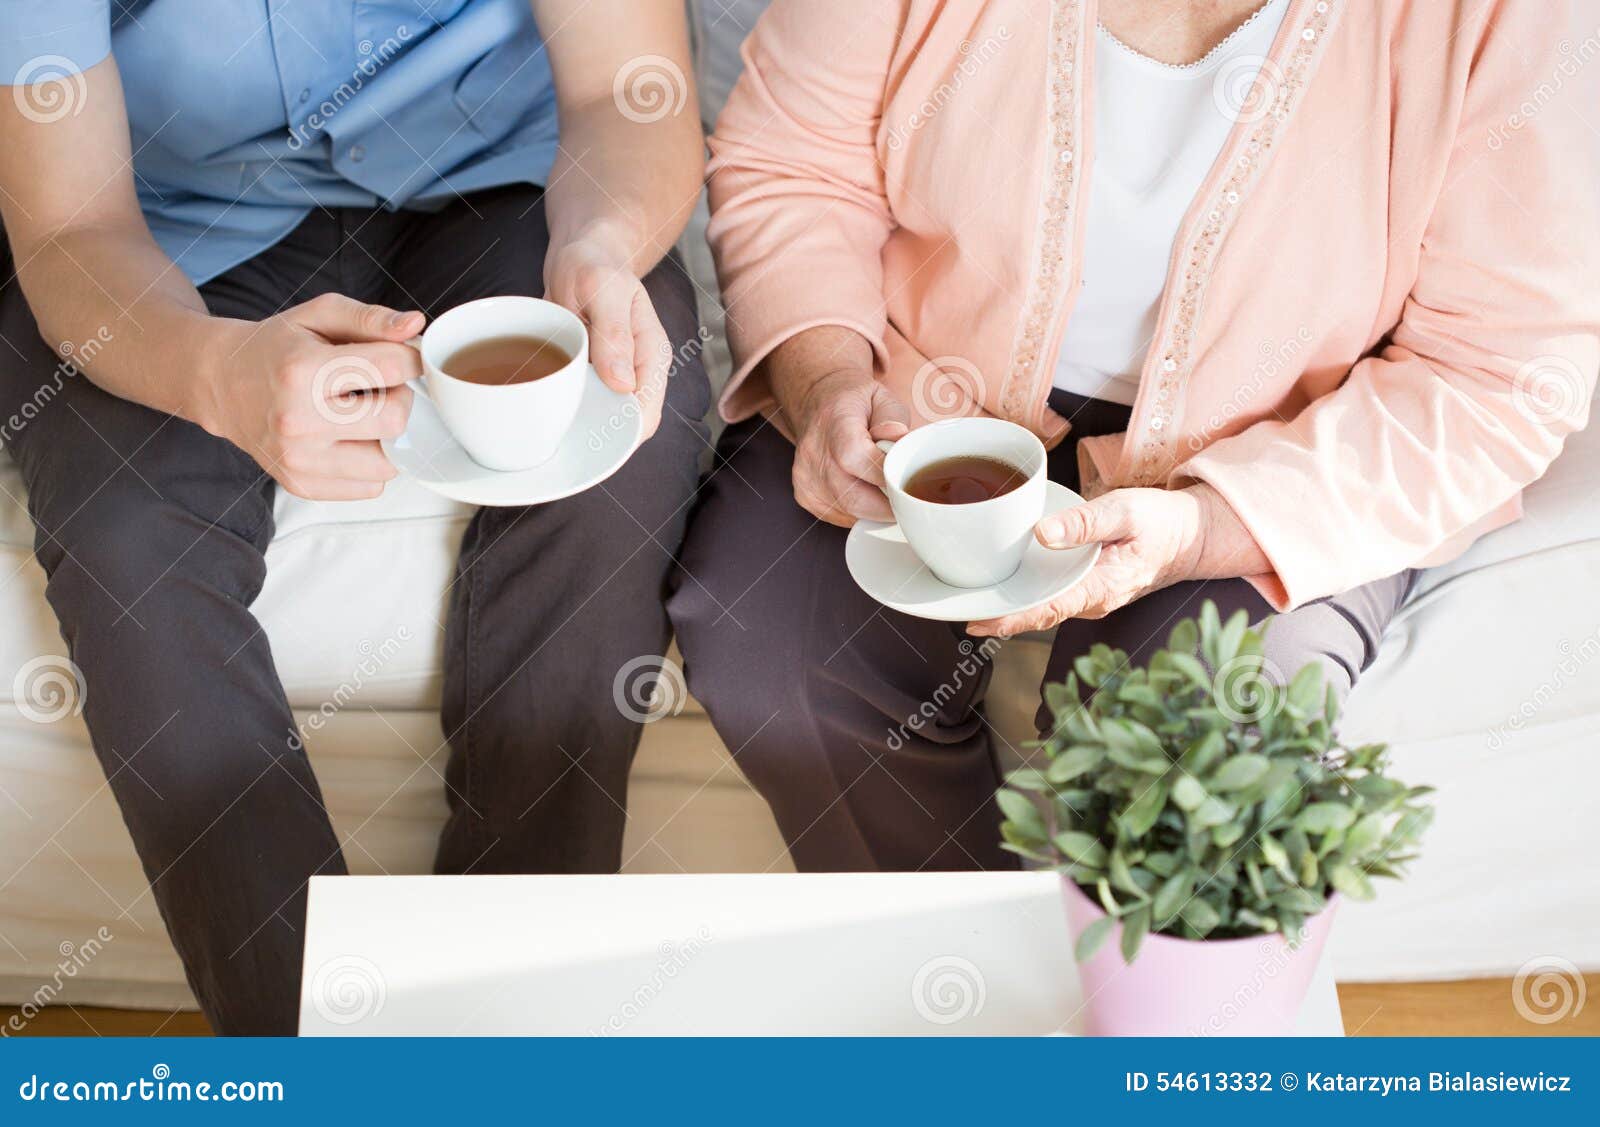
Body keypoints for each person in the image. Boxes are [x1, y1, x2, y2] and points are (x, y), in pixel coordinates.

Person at [669, 0, 1599, 871]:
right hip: (921, 388)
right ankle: (974, 992)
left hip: (1280, 452)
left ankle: (1131, 1029)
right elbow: (797, 162)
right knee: (769, 652)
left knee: (1193, 750)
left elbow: (1498, 368)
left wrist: (1206, 530)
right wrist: (829, 376)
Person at [0, 0, 706, 1035]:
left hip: (507, 192)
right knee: (126, 534)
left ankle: (505, 1031)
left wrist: (601, 244)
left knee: (610, 451)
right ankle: (320, 1061)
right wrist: (213, 372)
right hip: (165, 228)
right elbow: (70, 225)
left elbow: (624, 92)